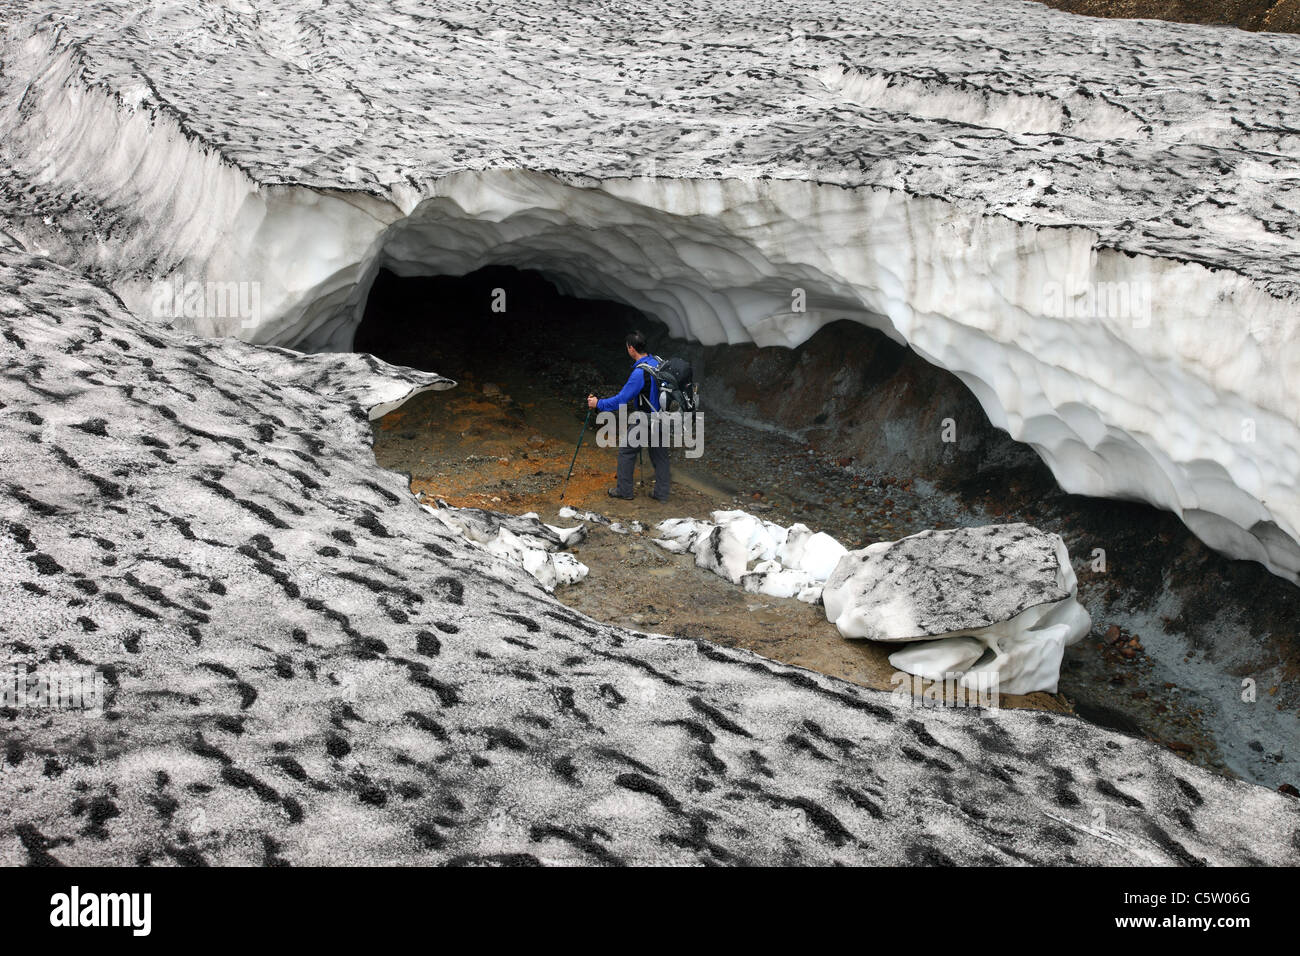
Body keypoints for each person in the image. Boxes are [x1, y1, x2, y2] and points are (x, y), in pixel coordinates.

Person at [587, 330, 670, 501]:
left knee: (626, 451)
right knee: (660, 456)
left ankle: (624, 491)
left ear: (631, 349)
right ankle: (661, 494)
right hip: (664, 417)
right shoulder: (659, 362)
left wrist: (598, 404)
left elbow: (622, 399)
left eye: (627, 347)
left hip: (645, 420)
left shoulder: (640, 373)